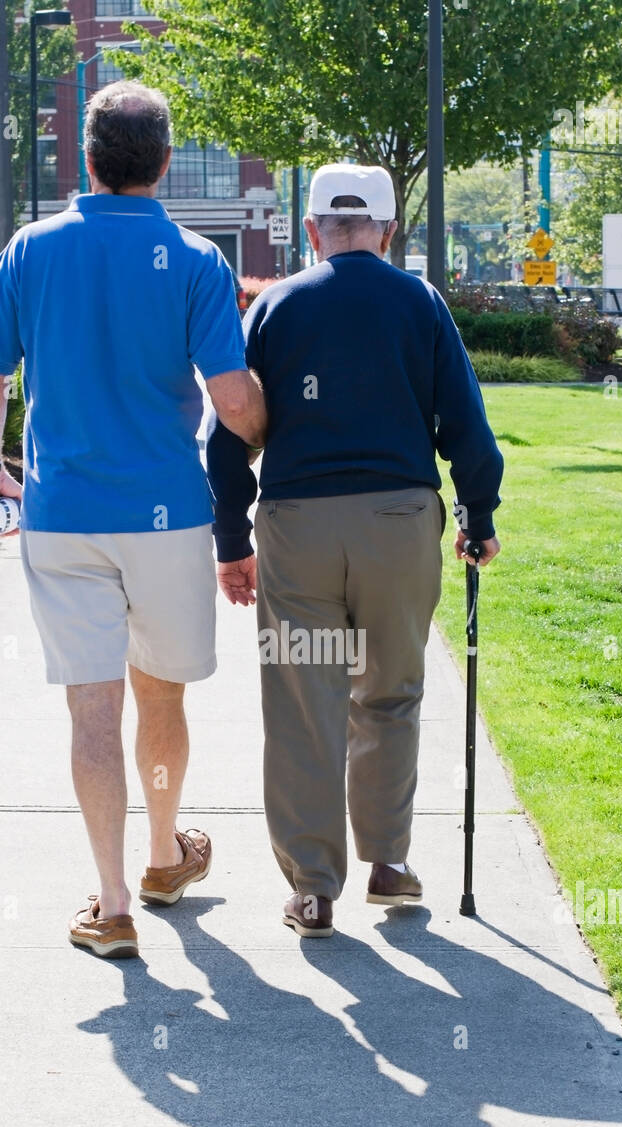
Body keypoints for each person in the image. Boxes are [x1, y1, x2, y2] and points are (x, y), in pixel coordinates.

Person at [0, 81, 266, 960]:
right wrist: (273, 439)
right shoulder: (199, 261)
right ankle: (165, 859)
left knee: (90, 710)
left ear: (84, 159)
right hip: (169, 519)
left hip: (63, 515)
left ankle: (110, 903)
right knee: (159, 693)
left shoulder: (29, 250)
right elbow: (234, 397)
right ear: (165, 162)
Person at [206, 163, 503, 938]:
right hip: (399, 521)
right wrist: (478, 512)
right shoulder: (422, 304)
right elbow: (467, 426)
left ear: (311, 231)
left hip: (298, 525)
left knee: (304, 706)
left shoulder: (273, 306)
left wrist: (232, 538)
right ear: (388, 229)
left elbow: (227, 434)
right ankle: (388, 863)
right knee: (390, 692)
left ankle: (312, 888)